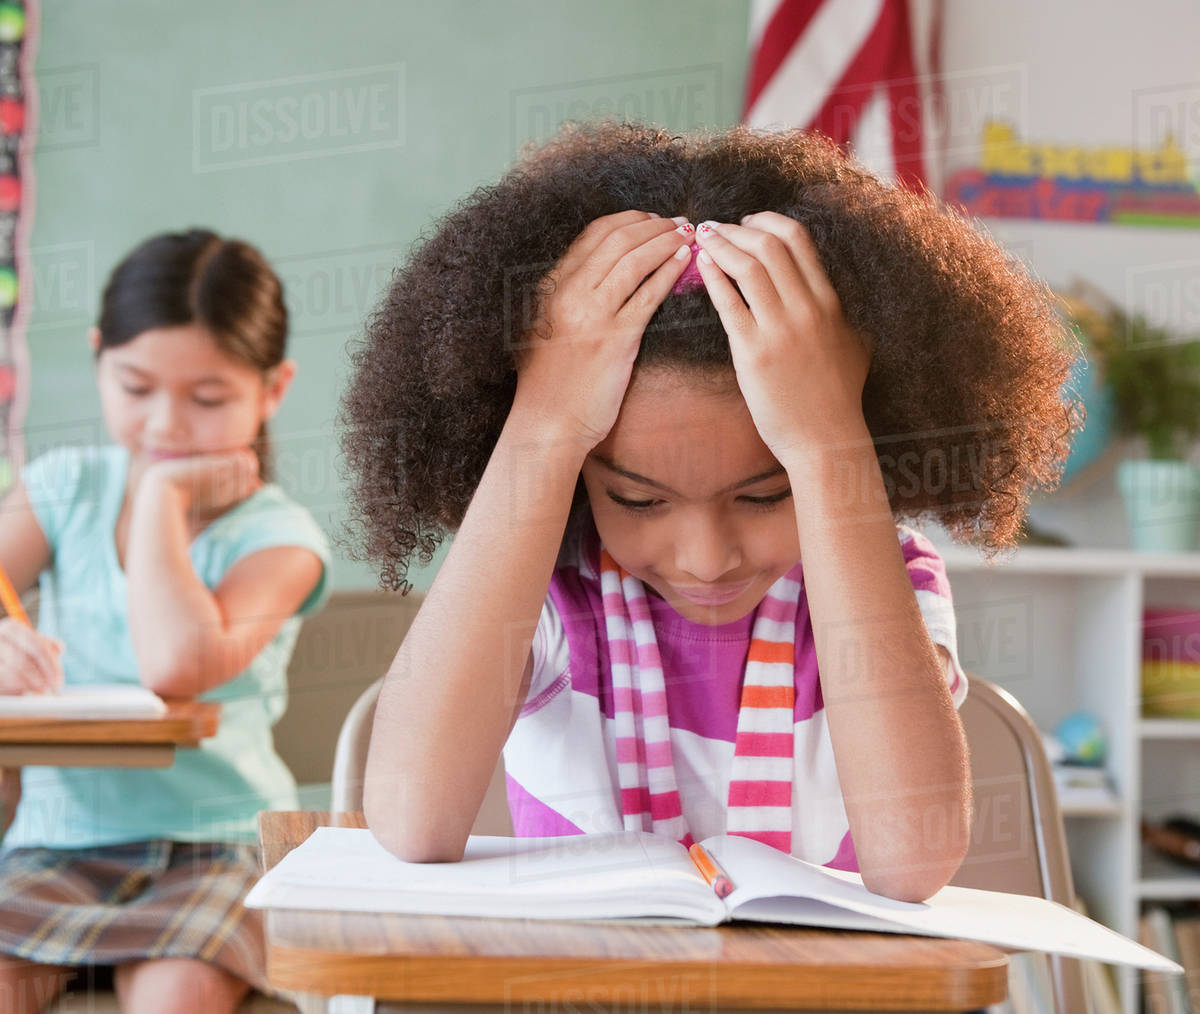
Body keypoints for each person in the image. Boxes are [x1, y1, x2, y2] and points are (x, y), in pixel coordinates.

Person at [342, 122, 1080, 903]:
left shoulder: (884, 579)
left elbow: (911, 862)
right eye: (637, 498)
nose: (706, 557)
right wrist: (544, 421)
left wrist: (832, 438)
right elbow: (412, 822)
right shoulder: (547, 592)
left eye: (766, 494)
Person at [0, 229, 331, 1014]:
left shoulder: (280, 539)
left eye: (207, 399)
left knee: (177, 994)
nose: (166, 425)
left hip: (216, 842)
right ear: (96, 359)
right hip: (57, 841)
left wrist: (159, 498)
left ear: (272, 389)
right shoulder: (65, 488)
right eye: (136, 387)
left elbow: (176, 665)